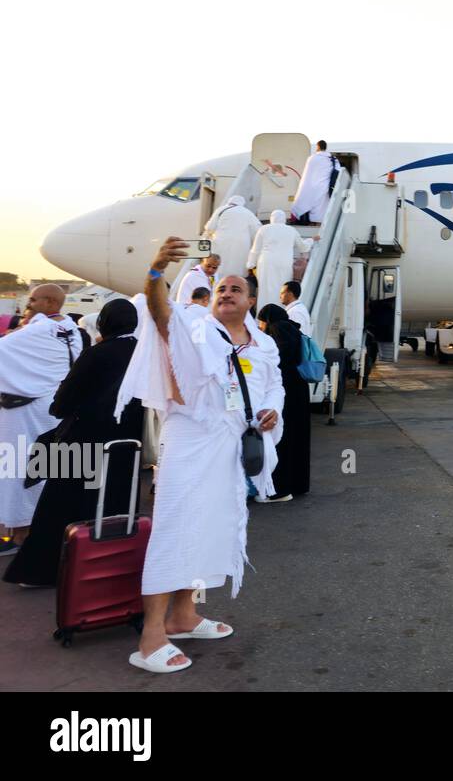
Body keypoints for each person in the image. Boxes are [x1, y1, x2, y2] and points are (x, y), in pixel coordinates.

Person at [116, 237, 283, 674]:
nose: (226, 294)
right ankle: (151, 635)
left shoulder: (264, 345)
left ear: (250, 301)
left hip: (230, 448)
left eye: (236, 290)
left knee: (212, 529)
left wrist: (271, 412)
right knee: (174, 531)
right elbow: (159, 314)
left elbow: (273, 386)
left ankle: (183, 616)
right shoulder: (195, 329)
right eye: (221, 289)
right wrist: (155, 272)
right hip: (190, 443)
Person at [3, 300, 144, 587]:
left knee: (56, 508)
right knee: (114, 508)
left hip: (81, 443)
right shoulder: (144, 354)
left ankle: (41, 571)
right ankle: (107, 568)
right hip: (126, 447)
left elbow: (63, 403)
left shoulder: (96, 353)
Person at [0, 285, 85, 555]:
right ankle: (31, 535)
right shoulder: (71, 331)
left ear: (50, 303)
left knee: (19, 475)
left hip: (25, 416)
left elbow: (4, 350)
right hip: (48, 413)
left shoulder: (39, 331)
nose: (28, 303)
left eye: (34, 299)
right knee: (41, 474)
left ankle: (22, 537)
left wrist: (19, 331)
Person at [256, 304, 310, 502]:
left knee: (282, 440)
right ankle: (298, 484)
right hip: (298, 389)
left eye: (262, 321)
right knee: (298, 439)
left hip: (287, 389)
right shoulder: (292, 328)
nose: (260, 326)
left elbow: (278, 360)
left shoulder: (278, 331)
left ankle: (280, 489)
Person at [247, 211, 310, 319]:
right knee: (282, 289)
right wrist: (311, 240)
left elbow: (255, 250)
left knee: (264, 290)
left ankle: (262, 319)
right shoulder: (291, 230)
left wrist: (250, 265)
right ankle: (280, 317)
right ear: (284, 219)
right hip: (284, 263)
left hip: (266, 262)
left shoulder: (263, 229)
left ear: (271, 218)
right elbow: (303, 247)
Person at [203, 195, 261, 282]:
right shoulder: (248, 213)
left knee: (220, 269)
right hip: (241, 245)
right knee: (238, 271)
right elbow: (258, 232)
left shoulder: (221, 209)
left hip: (221, 242)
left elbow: (209, 227)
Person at [290, 141, 337, 223]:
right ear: (325, 147)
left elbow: (307, 174)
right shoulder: (332, 159)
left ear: (318, 147)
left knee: (310, 203)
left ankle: (312, 222)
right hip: (325, 186)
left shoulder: (312, 158)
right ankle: (320, 223)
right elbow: (339, 171)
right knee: (322, 206)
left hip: (312, 186)